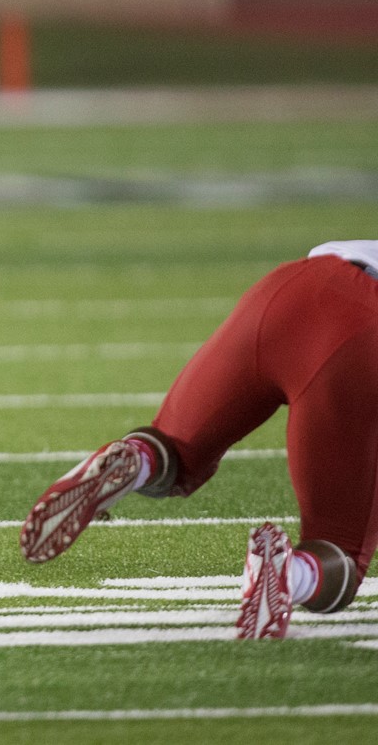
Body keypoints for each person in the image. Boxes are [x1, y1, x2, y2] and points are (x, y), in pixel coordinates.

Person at [20, 242, 378, 637]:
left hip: (288, 289)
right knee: (340, 552)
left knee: (171, 448)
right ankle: (288, 573)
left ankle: (133, 461)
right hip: (361, 331)